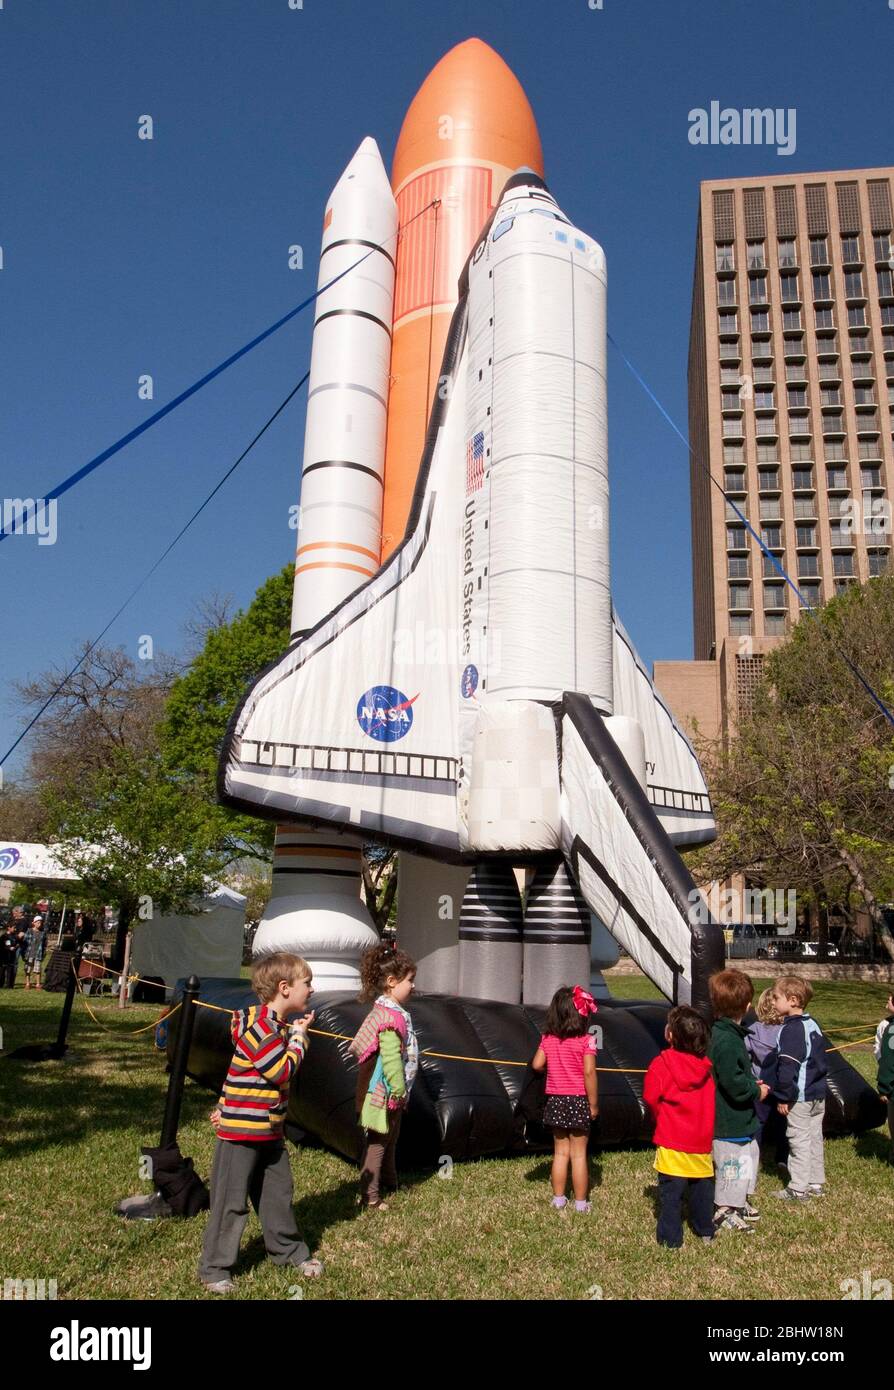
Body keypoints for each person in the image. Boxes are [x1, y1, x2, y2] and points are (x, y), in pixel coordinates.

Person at [197, 952, 324, 1294]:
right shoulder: (260, 1028)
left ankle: (288, 1251)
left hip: (269, 1130)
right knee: (230, 1201)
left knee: (277, 1195)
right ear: (285, 988)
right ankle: (214, 1268)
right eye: (307, 983)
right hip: (240, 1133)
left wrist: (223, 1101)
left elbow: (236, 1072)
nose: (312, 989)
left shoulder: (276, 1026)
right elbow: (280, 1070)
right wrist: (300, 1038)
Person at [348, 941, 418, 1211]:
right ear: (391, 981)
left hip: (392, 1093)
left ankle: (390, 1180)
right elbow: (390, 1058)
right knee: (378, 1142)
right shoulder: (390, 1018)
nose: (412, 986)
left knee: (391, 1138)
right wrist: (398, 1090)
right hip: (385, 1093)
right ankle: (370, 1195)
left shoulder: (387, 1011)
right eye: (409, 980)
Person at [643, 1005, 716, 1248]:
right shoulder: (705, 1068)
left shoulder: (661, 1064)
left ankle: (670, 1239)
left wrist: (659, 1117)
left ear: (671, 1035)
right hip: (700, 1140)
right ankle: (705, 1228)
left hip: (672, 1138)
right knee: (702, 1189)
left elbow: (651, 1097)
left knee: (671, 1195)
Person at [709, 969, 769, 1233]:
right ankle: (725, 1207)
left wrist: (749, 1083)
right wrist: (756, 1091)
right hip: (728, 1117)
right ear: (747, 1006)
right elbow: (732, 1084)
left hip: (741, 1118)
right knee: (732, 1163)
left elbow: (735, 1075)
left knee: (748, 1156)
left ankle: (738, 1199)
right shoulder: (726, 1040)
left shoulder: (730, 1035)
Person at [531, 984, 599, 1213]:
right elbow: (589, 1072)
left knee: (560, 1152)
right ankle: (581, 1202)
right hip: (578, 1100)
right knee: (579, 1154)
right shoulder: (586, 1041)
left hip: (555, 1101)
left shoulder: (548, 1038)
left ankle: (559, 1199)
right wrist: (593, 1103)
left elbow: (536, 1064)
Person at [770, 974, 828, 1201]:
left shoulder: (791, 1030)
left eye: (776, 997)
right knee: (814, 1138)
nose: (773, 1002)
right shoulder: (813, 1024)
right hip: (817, 1094)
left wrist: (784, 1097)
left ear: (793, 1000)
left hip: (800, 1097)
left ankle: (798, 1187)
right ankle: (815, 1182)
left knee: (799, 1140)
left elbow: (788, 1067)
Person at [875, 993, 894, 1161]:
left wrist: (884, 1088)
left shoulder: (890, 1028)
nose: (886, 1002)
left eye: (889, 1000)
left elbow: (888, 1061)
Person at [23, 915, 47, 990]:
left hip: (38, 954)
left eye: (41, 923)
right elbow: (25, 941)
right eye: (38, 922)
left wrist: (44, 953)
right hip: (29, 954)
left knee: (38, 970)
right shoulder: (29, 931)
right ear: (34, 923)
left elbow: (45, 944)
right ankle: (27, 983)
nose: (40, 924)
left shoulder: (42, 933)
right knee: (28, 969)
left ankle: (38, 984)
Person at [0, 920, 20, 988]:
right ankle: (1, 984)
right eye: (14, 927)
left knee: (10, 971)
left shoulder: (15, 936)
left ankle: (9, 985)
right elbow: (2, 945)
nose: (15, 929)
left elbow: (18, 944)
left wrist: (16, 947)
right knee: (2, 971)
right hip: (4, 957)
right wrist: (8, 948)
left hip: (12, 957)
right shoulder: (3, 936)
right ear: (9, 927)